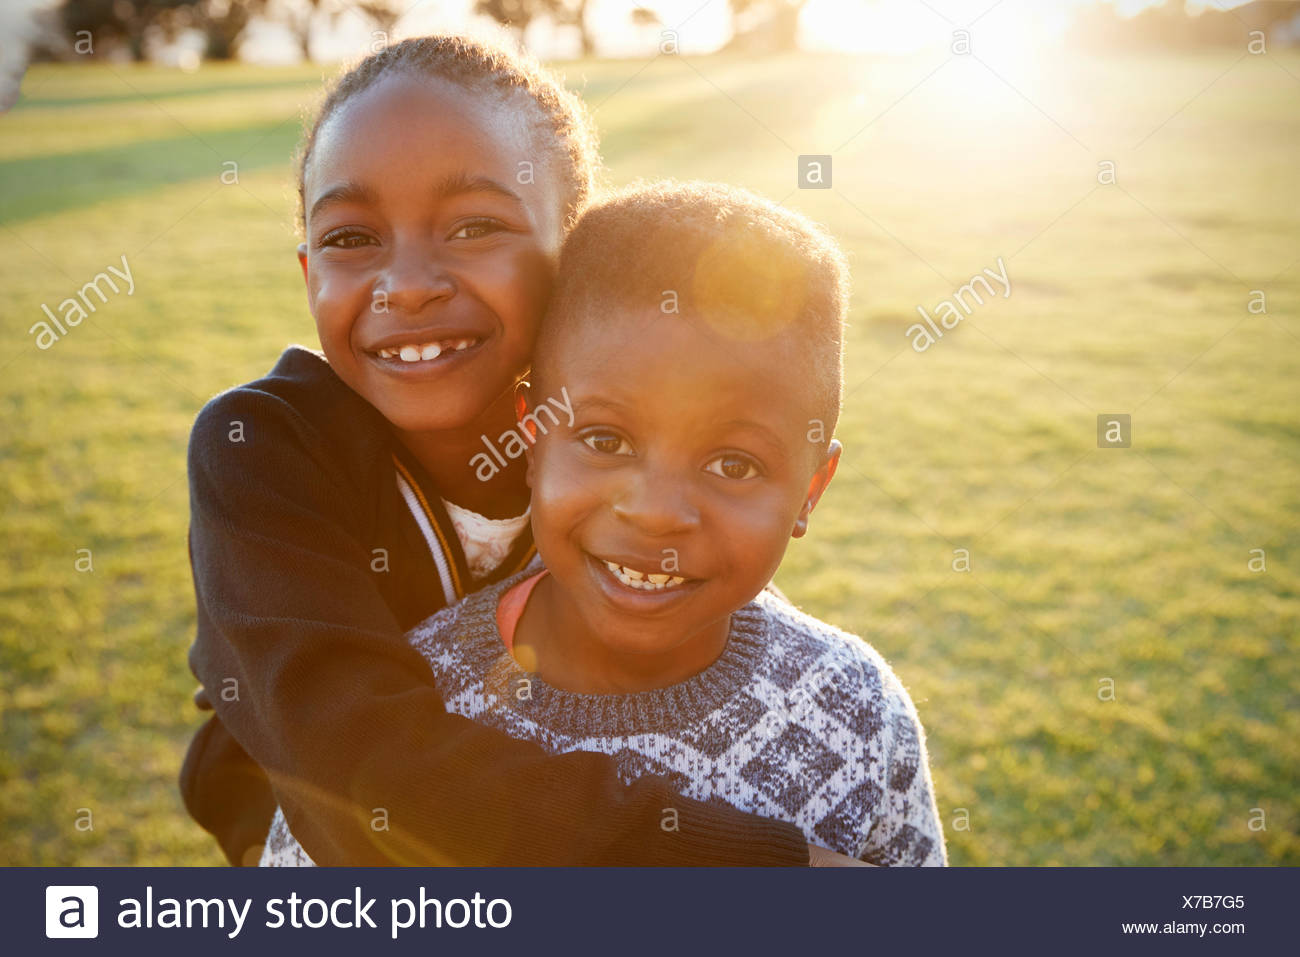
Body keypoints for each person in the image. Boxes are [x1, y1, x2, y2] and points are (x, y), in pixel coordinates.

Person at [181, 34, 832, 867]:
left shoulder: (621, 447)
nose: (408, 283)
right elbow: (364, 776)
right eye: (351, 239)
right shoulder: (264, 452)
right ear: (308, 271)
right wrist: (763, 870)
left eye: (475, 225)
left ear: (576, 255)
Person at [261, 182, 947, 867]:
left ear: (810, 490)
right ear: (531, 437)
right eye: (606, 440)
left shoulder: (855, 709)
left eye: (734, 463)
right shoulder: (416, 715)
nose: (654, 511)